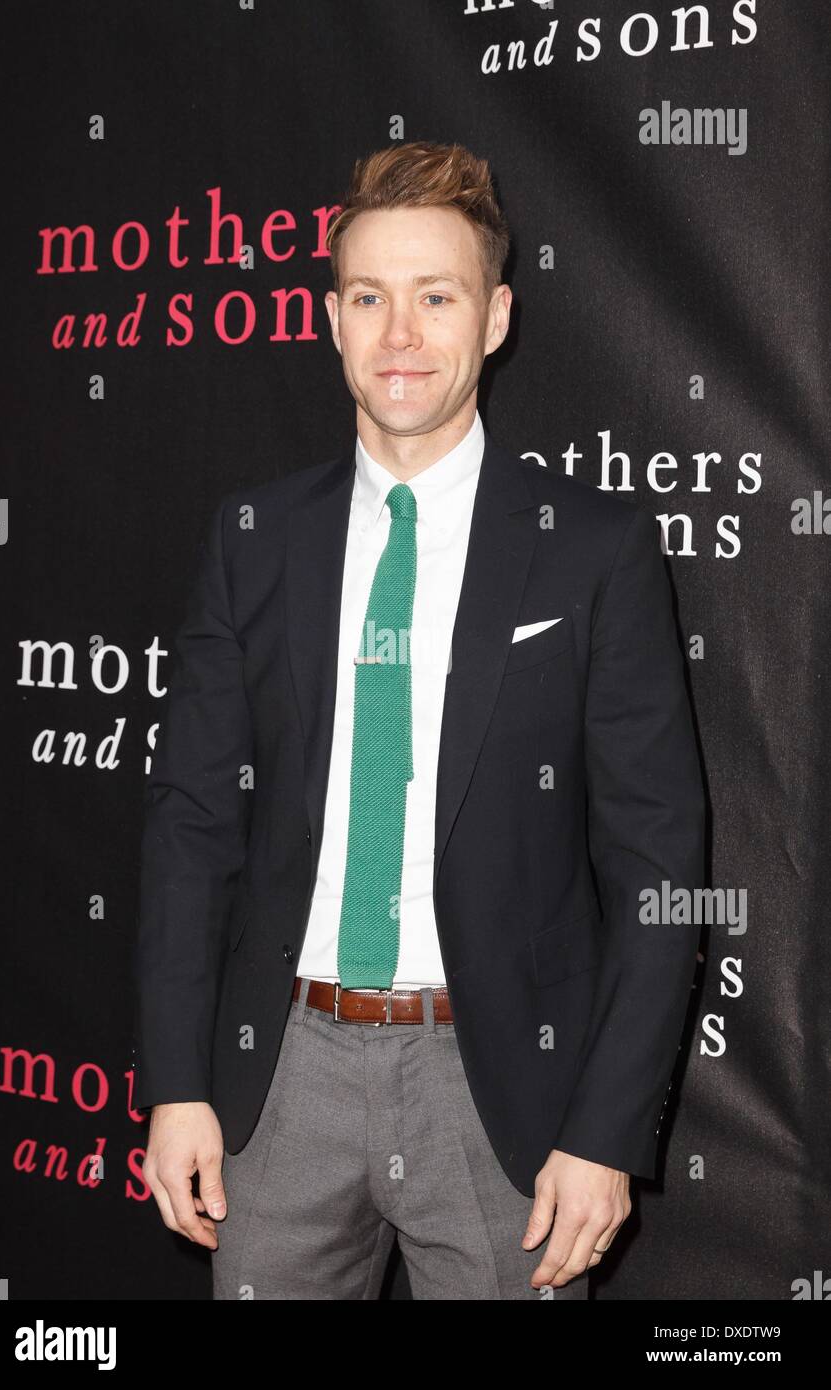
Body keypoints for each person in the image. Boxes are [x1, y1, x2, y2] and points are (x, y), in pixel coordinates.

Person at [132, 140, 706, 1300]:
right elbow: (193, 823)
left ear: (493, 317)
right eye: (368, 298)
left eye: (433, 297)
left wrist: (603, 1132)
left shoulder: (594, 551)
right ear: (332, 318)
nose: (399, 336)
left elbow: (658, 866)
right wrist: (176, 1081)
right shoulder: (254, 540)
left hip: (501, 1094)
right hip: (280, 1078)